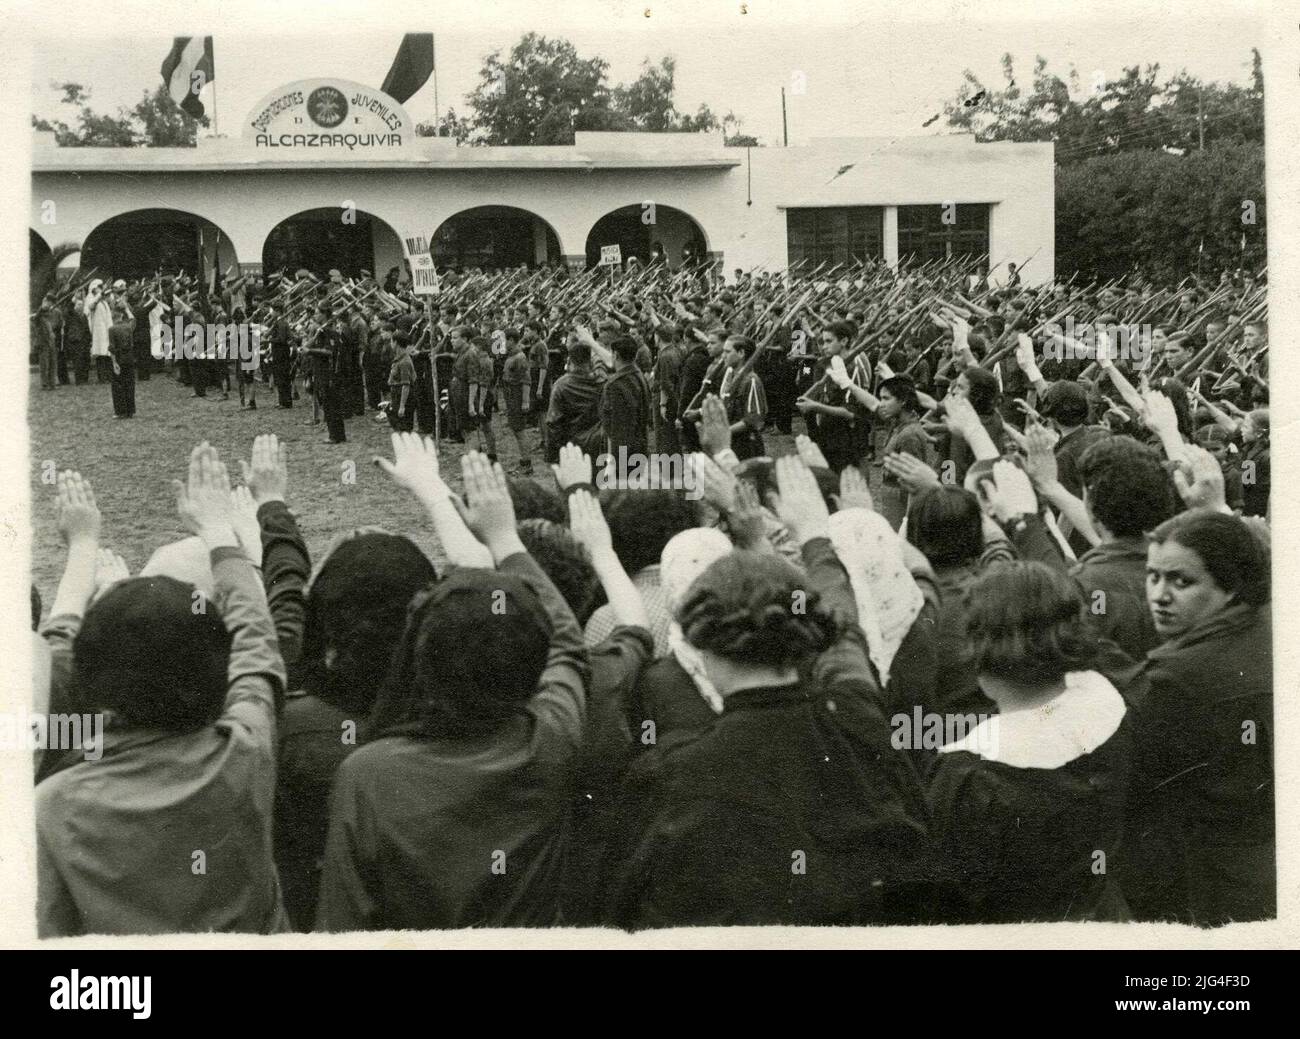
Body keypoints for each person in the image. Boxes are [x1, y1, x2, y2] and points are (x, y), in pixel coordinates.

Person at [602, 456, 931, 927]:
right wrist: (814, 537)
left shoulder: (671, 773)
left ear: (699, 642)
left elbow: (632, 909)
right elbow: (845, 627)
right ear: (805, 636)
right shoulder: (857, 714)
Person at [314, 449, 595, 930]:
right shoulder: (550, 738)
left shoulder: (367, 773)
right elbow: (567, 642)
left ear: (419, 656)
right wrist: (505, 540)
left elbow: (342, 925)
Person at [38, 445, 290, 936]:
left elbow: (49, 929)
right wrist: (219, 532)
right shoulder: (245, 748)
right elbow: (257, 640)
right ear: (217, 672)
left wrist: (83, 547)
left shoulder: (54, 802)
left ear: (92, 683)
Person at [925, 562, 1132, 922]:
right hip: (1103, 915)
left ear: (981, 653)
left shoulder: (968, 775)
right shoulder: (1109, 704)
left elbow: (950, 894)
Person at [1122, 509, 1273, 926]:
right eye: (1152, 576)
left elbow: (1133, 785)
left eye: (1180, 581)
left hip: (1207, 884)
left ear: (1230, 587)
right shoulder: (1272, 629)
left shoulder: (1176, 679)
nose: (1159, 595)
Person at [545, 341, 605, 463]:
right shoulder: (601, 381)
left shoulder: (561, 385)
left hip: (572, 445)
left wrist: (552, 456)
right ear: (590, 360)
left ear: (569, 360)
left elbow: (553, 423)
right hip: (599, 444)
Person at [600, 335, 652, 462]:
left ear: (616, 355)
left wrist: (611, 460)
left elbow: (616, 427)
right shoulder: (639, 376)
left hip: (621, 453)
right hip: (639, 446)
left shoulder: (615, 384)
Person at [106, 305, 137, 419]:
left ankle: (120, 411)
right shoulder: (128, 327)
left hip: (119, 358)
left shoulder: (112, 329)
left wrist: (114, 363)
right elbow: (132, 344)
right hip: (129, 358)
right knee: (129, 384)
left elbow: (112, 348)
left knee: (118, 385)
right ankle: (130, 410)